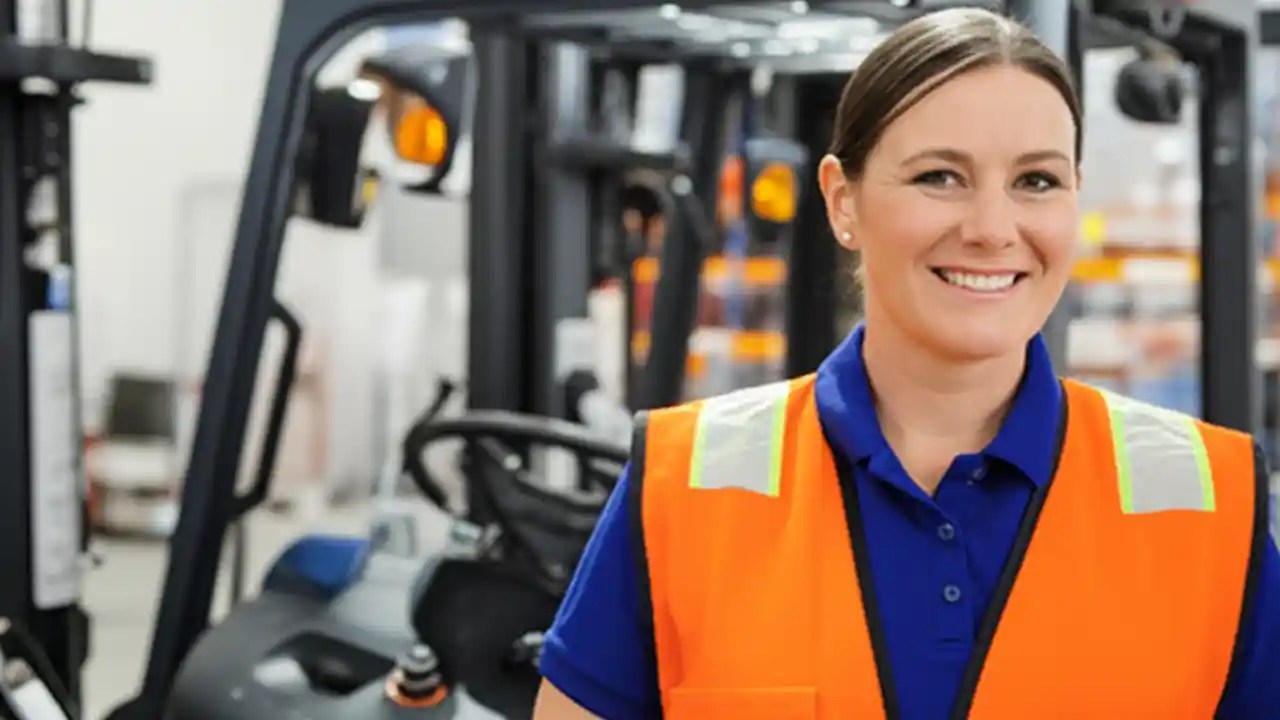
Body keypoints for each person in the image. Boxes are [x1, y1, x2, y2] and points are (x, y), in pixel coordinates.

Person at [532, 8, 1280, 719]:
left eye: (1037, 181)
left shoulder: (1211, 505)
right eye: (939, 177)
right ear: (842, 202)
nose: (993, 229)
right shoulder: (683, 485)